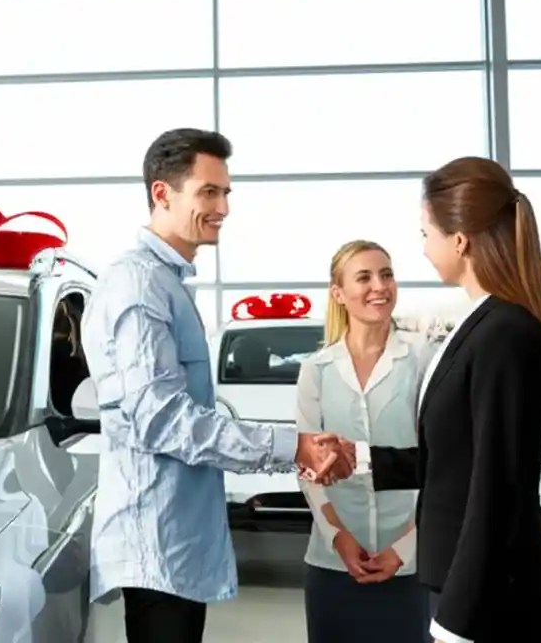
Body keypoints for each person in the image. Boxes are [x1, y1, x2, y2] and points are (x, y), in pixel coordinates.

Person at [80, 127, 348, 642]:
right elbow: (162, 420)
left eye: (226, 192)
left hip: (177, 540)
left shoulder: (166, 283)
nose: (223, 206)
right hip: (157, 541)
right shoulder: (139, 286)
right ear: (162, 193)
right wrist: (292, 446)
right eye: (209, 191)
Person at [325, 156, 541, 643]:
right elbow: (457, 462)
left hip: (491, 602)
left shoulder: (505, 334)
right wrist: (364, 460)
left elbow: (495, 492)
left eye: (425, 234)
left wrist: (458, 619)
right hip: (468, 588)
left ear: (459, 241)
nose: (422, 248)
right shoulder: (481, 324)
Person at [296, 239, 431, 643]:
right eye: (365, 277)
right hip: (332, 565)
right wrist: (339, 537)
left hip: (412, 565)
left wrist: (404, 548)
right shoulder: (316, 370)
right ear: (338, 293)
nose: (380, 286)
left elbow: (441, 462)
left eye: (386, 274)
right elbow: (308, 467)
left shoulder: (423, 359)